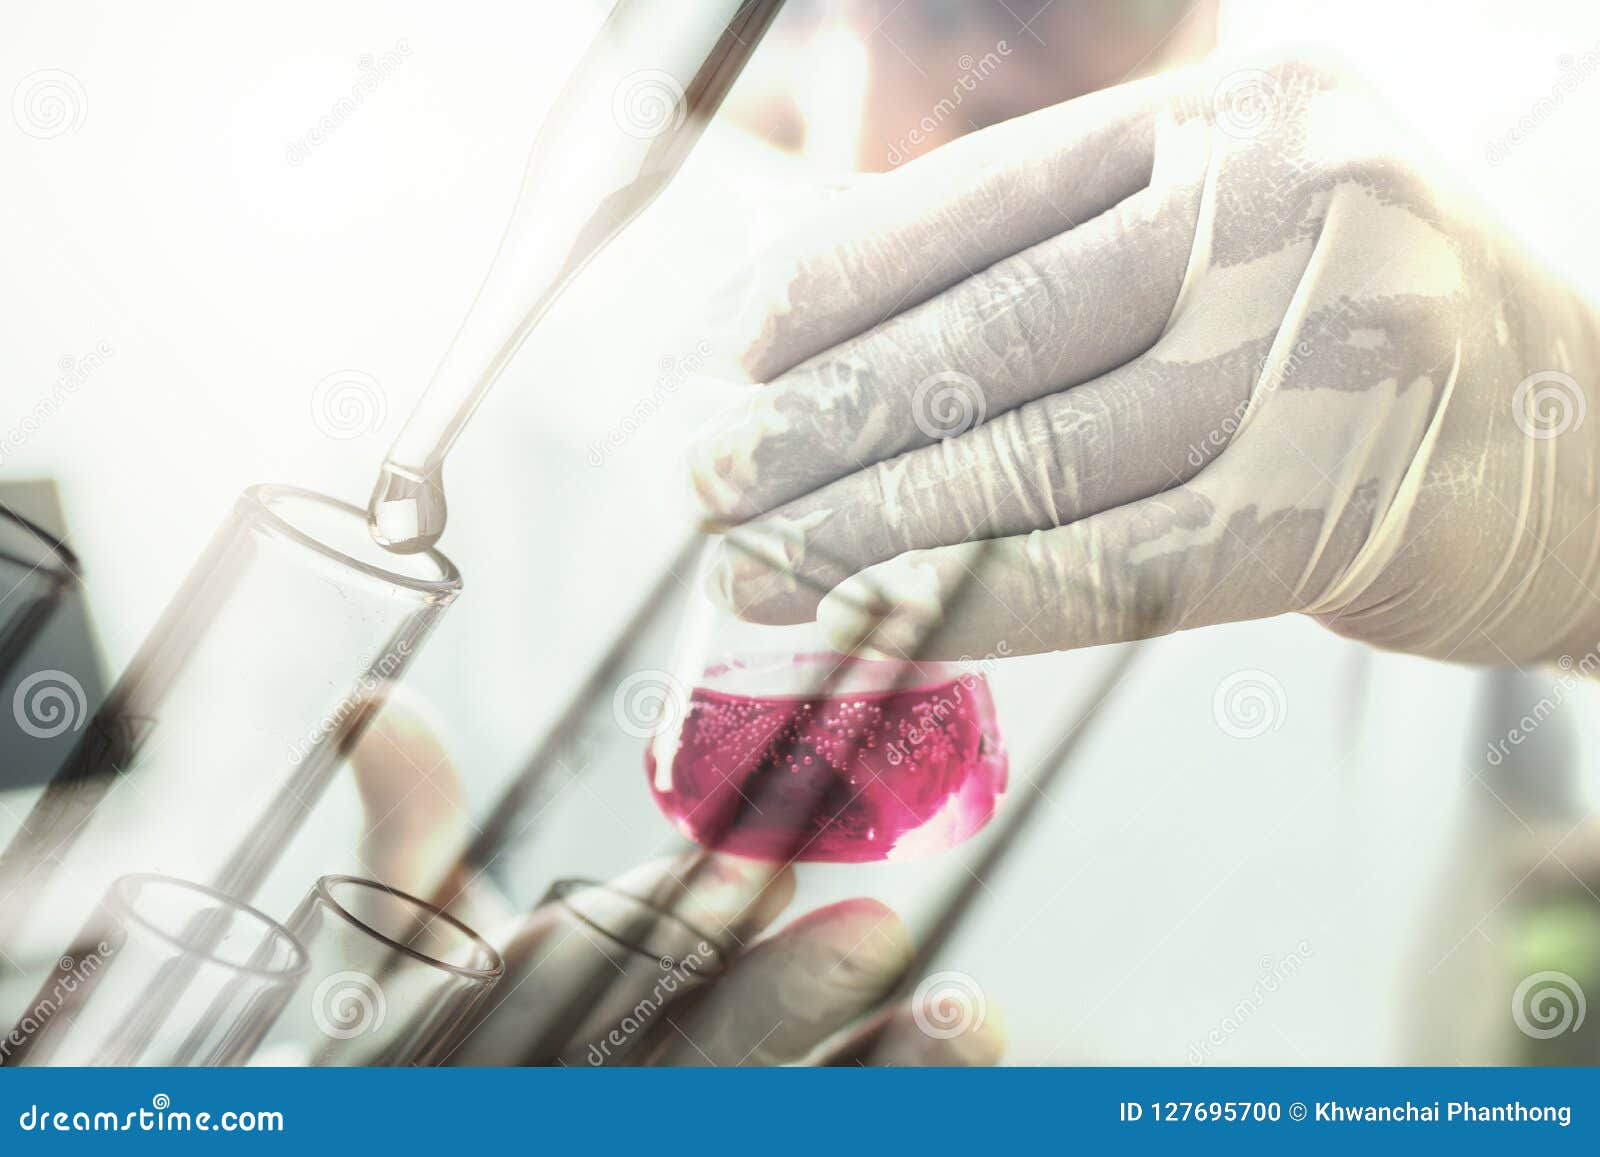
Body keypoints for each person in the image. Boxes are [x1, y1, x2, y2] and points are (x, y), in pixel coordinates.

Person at [688, 53, 1600, 669]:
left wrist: (1584, 549)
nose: (867, 124)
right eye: (773, 16)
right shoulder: (610, 404)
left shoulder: (1525, 186)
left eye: (993, 4)